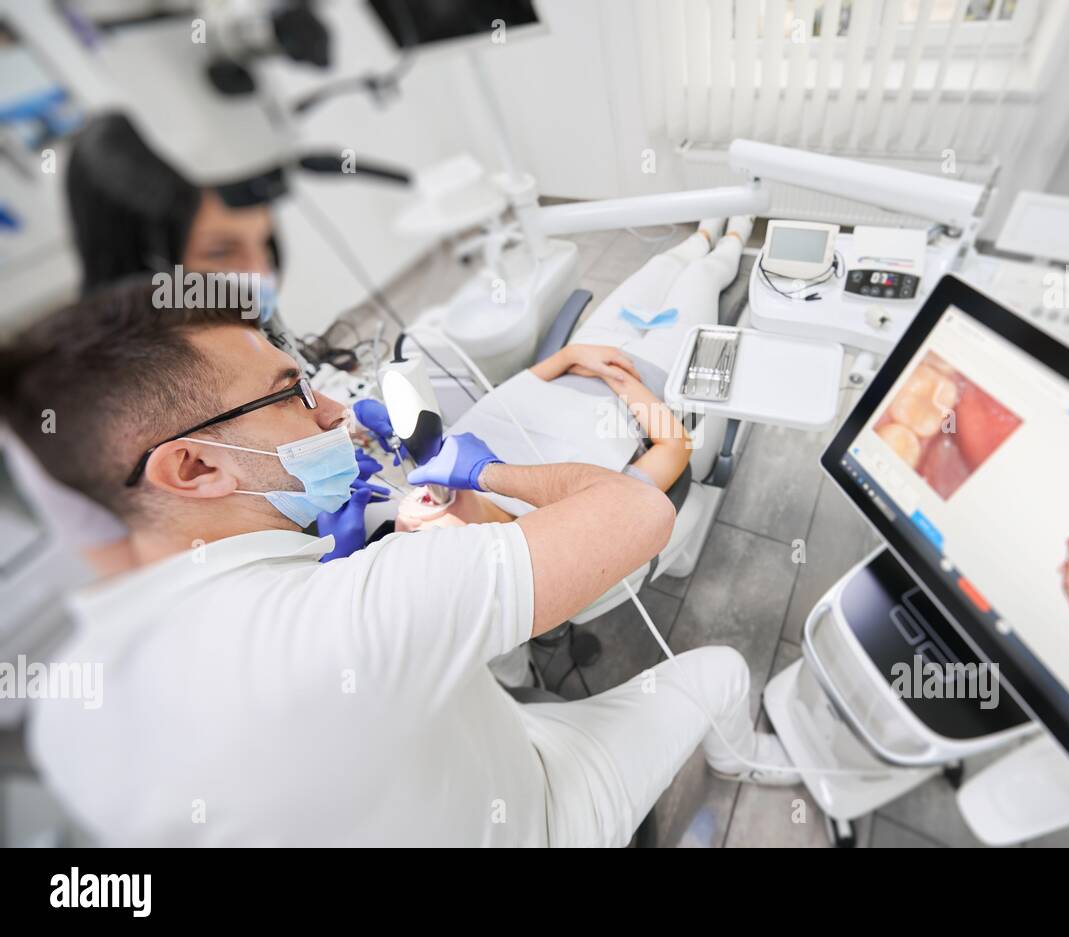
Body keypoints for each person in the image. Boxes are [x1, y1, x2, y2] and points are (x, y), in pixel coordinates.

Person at [0, 278, 795, 847]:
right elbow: (643, 499)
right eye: (292, 393)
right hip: (547, 803)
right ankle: (751, 756)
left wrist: (571, 363)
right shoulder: (373, 605)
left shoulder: (69, 726)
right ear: (197, 468)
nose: (336, 411)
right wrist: (482, 475)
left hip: (461, 740)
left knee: (701, 267)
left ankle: (712, 252)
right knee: (721, 669)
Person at [2, 111, 292, 579]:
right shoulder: (55, 408)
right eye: (221, 251)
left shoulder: (216, 308)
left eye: (265, 243)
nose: (259, 274)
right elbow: (133, 576)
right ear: (141, 260)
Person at [393, 216, 754, 531]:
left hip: (592, 349)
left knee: (662, 265)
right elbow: (675, 447)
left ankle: (703, 235)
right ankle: (737, 234)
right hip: (651, 372)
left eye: (401, 528)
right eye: (419, 534)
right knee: (702, 274)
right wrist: (620, 379)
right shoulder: (572, 519)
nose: (409, 518)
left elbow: (526, 386)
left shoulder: (453, 459)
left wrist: (573, 354)